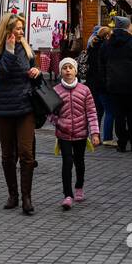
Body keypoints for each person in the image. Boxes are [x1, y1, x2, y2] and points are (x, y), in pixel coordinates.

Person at [0, 12, 42, 214]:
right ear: (7, 30)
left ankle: (27, 197)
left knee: (27, 153)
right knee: (8, 155)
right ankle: (13, 194)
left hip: (25, 107)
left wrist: (36, 73)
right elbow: (0, 74)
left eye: (21, 29)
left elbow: (33, 71)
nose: (20, 32)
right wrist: (8, 50)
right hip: (3, 109)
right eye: (17, 29)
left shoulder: (26, 48)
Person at [51, 56, 100, 208]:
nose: (67, 71)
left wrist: (95, 133)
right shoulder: (56, 91)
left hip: (80, 133)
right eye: (64, 68)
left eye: (70, 68)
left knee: (79, 162)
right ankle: (67, 195)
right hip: (63, 133)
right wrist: (58, 122)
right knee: (67, 163)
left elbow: (91, 112)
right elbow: (50, 112)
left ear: (76, 71)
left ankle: (79, 187)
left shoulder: (85, 90)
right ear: (60, 72)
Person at [103, 17, 132, 152]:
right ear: (127, 27)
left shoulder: (107, 44)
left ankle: (122, 143)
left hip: (115, 87)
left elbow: (102, 63)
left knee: (119, 116)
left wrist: (107, 80)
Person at [85, 25, 114, 146]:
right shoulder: (105, 48)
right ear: (107, 36)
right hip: (102, 83)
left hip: (92, 83)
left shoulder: (92, 47)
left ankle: (91, 135)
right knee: (109, 111)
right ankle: (107, 137)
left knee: (97, 111)